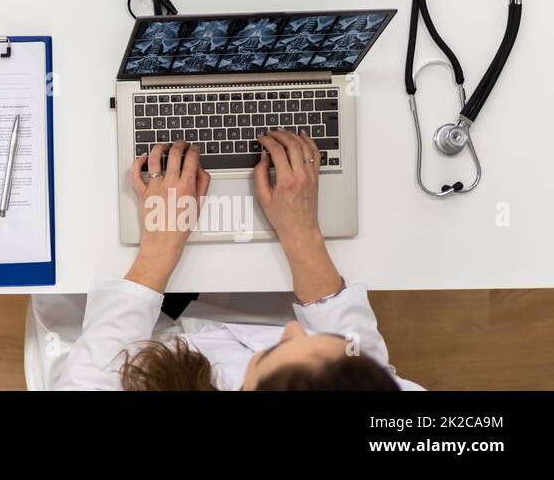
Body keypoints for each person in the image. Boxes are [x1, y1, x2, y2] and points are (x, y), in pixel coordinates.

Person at [41, 131, 420, 390]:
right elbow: (361, 356)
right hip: (256, 307)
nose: (292, 331)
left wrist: (162, 242)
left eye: (277, 352)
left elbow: (90, 377)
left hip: (140, 346)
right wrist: (302, 233)